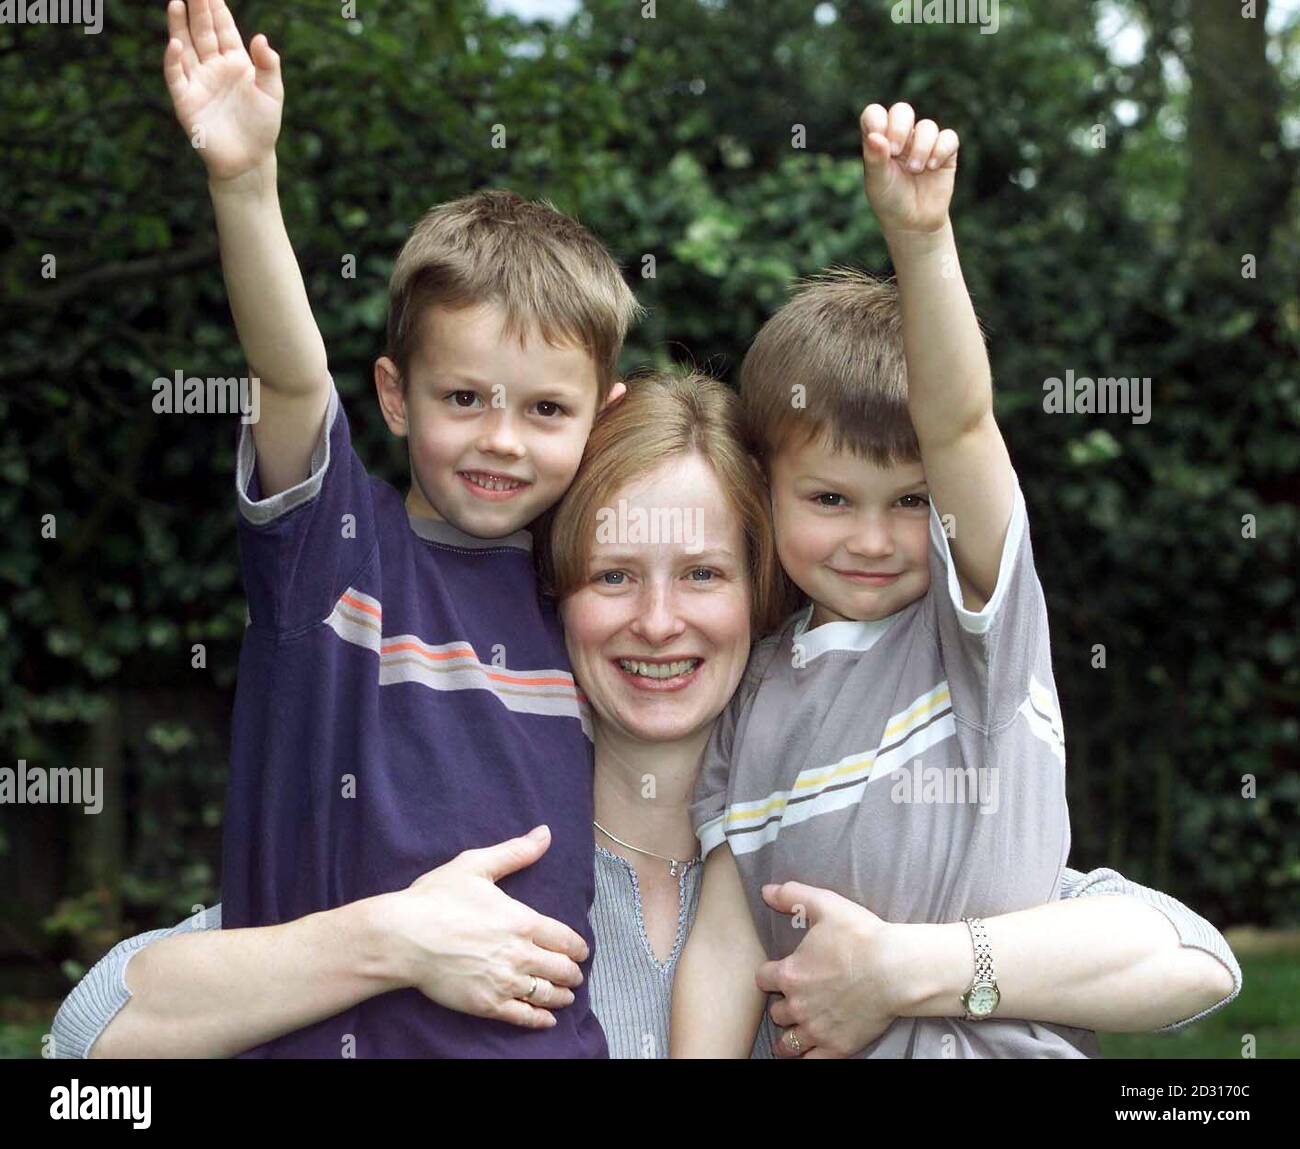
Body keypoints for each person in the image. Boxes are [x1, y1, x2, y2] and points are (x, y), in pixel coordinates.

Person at [51, 373, 1241, 1061]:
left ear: (764, 591)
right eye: (615, 575)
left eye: (704, 575)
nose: (658, 622)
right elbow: (89, 1034)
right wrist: (389, 942)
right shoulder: (474, 853)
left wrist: (909, 968)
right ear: (557, 594)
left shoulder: (829, 838)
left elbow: (1190, 957)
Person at [161, 0, 640, 1056]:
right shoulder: (336, 555)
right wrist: (245, 181)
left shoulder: (592, 600)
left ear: (599, 420)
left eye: (545, 409)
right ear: (392, 395)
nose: (500, 438)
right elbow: (290, 376)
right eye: (463, 397)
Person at [672, 103, 1148, 1059]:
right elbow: (727, 940)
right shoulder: (751, 689)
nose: (874, 539)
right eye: (830, 498)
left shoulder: (974, 631)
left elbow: (960, 424)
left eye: (911, 502)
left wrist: (922, 241)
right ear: (764, 487)